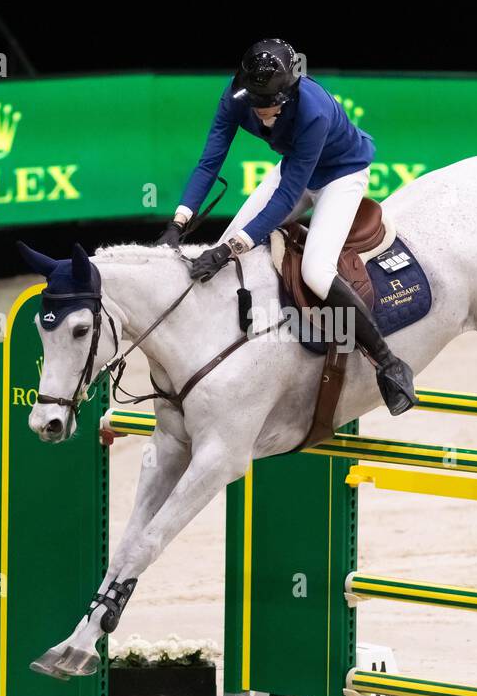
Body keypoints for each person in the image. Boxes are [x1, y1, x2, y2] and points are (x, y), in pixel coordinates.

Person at [157, 39, 417, 416]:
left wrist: (230, 249)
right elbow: (209, 162)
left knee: (316, 272)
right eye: (256, 103)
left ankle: (389, 363)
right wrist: (177, 223)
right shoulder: (236, 95)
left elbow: (289, 195)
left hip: (339, 176)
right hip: (295, 166)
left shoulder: (313, 111)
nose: (262, 112)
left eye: (271, 104)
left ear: (291, 91)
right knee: (227, 248)